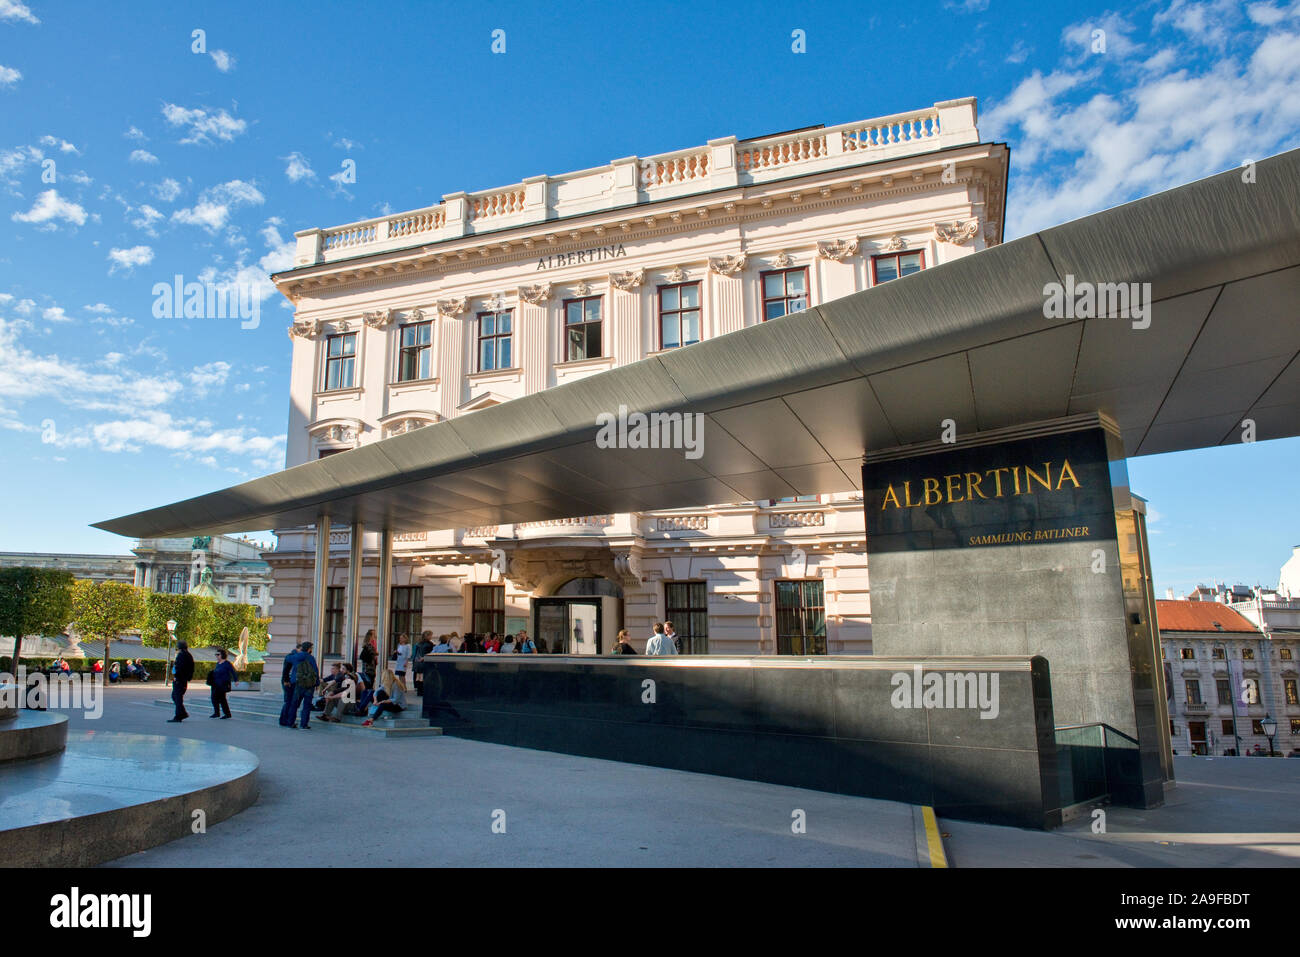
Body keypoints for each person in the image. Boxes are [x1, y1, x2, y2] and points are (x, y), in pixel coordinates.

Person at [288, 641, 320, 730]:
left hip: (298, 683)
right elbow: (315, 671)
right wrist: (317, 683)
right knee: (307, 705)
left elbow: (288, 659)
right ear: (309, 649)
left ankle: (291, 722)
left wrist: (295, 651)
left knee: (294, 704)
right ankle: (304, 724)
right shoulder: (311, 658)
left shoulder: (296, 656)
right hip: (309, 685)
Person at [167, 640, 195, 722]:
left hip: (179, 679)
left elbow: (179, 667)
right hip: (184, 679)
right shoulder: (189, 655)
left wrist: (176, 676)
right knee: (176, 696)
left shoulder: (181, 655)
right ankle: (182, 713)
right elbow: (191, 668)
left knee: (177, 697)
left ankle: (179, 716)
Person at [279, 642, 306, 727]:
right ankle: (286, 720)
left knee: (288, 701)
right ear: (298, 649)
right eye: (301, 650)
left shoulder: (292, 656)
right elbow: (286, 670)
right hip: (289, 682)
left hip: (289, 681)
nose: (302, 652)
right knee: (289, 701)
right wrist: (286, 680)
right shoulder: (292, 656)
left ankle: (284, 720)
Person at [210, 649, 237, 719]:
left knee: (222, 699)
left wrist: (236, 680)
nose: (216, 656)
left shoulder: (227, 663)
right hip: (215, 684)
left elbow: (233, 672)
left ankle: (227, 714)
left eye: (218, 654)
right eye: (216, 654)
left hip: (223, 684)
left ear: (222, 655)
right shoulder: (218, 663)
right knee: (213, 698)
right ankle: (216, 713)